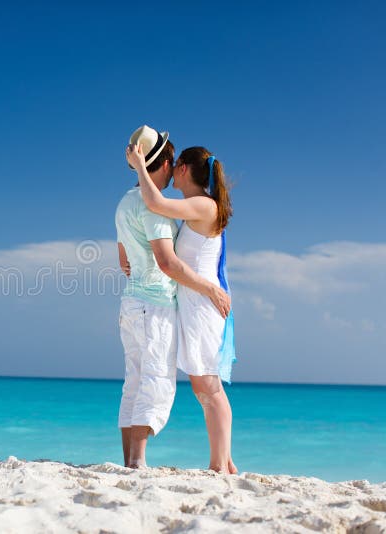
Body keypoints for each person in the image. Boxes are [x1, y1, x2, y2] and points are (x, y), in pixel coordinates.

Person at [116, 126, 230, 469]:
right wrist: (209, 288)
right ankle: (138, 462)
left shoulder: (125, 201)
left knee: (137, 382)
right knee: (157, 382)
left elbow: (123, 259)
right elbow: (167, 262)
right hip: (158, 305)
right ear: (167, 164)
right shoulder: (157, 209)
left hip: (134, 303)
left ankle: (134, 461)